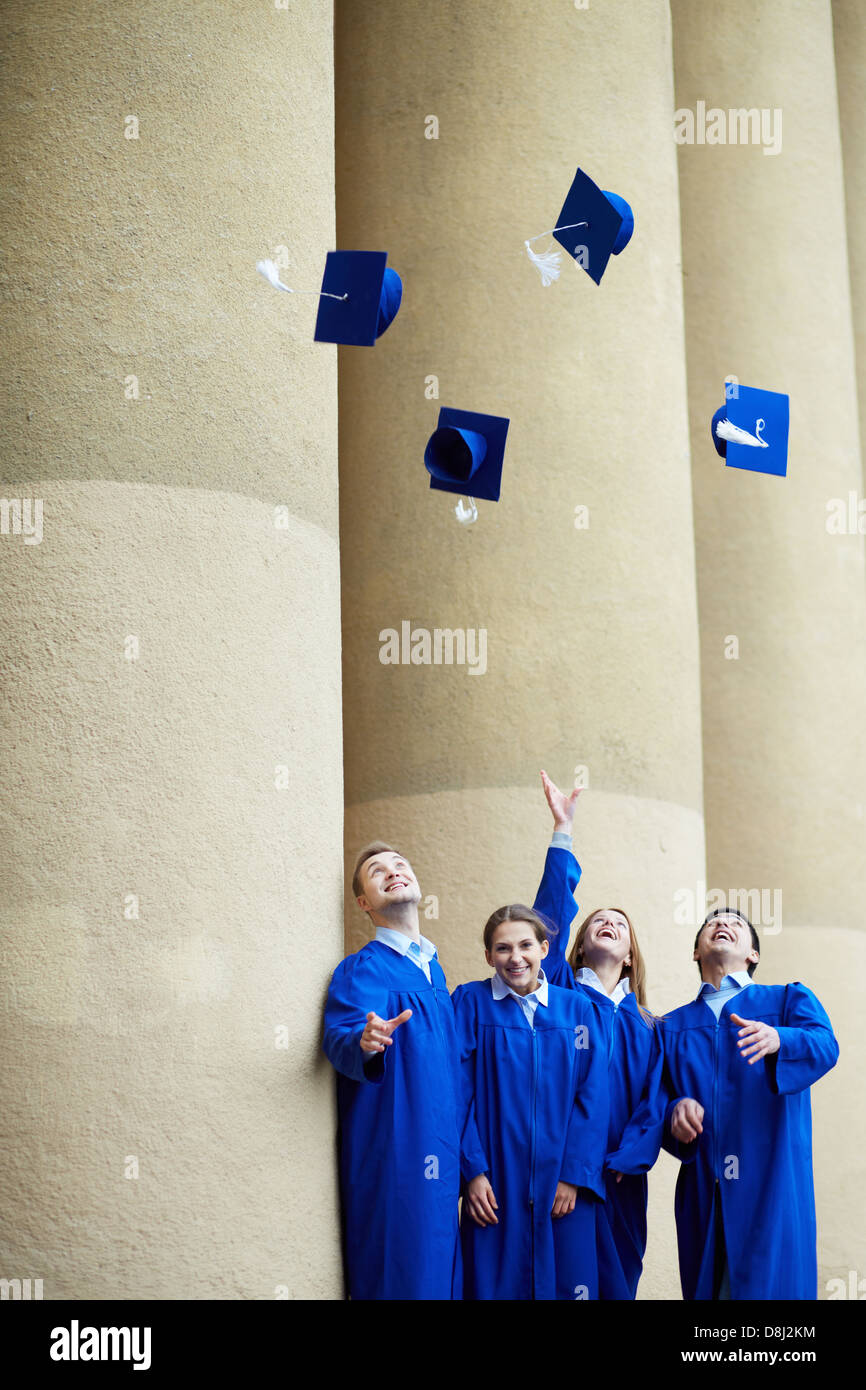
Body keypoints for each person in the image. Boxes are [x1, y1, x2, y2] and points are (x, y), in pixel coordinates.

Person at [531, 770, 665, 1299]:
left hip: (621, 1176)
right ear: (579, 946)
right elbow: (547, 920)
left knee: (616, 1282)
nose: (606, 922)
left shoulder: (650, 1027)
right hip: (561, 1163)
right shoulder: (559, 991)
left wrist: (626, 1162)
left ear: (631, 955)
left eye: (619, 922)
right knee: (565, 1279)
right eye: (596, 922)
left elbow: (655, 1104)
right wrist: (562, 831)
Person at [661, 906, 839, 1300]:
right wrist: (674, 1110)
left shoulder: (787, 999)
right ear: (695, 953)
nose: (723, 924)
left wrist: (781, 1039)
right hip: (706, 1185)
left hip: (772, 1179)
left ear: (753, 955)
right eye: (712, 923)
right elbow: (654, 1099)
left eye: (736, 923)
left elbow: (826, 1046)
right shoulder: (670, 1026)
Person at [322, 841, 461, 1300]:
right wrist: (363, 1042)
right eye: (376, 871)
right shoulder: (364, 969)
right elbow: (342, 1036)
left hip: (443, 1156)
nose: (393, 871)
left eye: (400, 864)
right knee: (401, 1273)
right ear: (364, 903)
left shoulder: (434, 972)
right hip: (397, 1154)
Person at [452, 903, 608, 1300]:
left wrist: (574, 1175)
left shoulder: (577, 1010)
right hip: (494, 1180)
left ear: (544, 948)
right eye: (502, 949)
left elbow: (592, 1096)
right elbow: (456, 1093)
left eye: (525, 945)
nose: (515, 957)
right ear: (488, 956)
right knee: (492, 1282)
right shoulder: (470, 1003)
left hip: (562, 1182)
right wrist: (472, 1172)